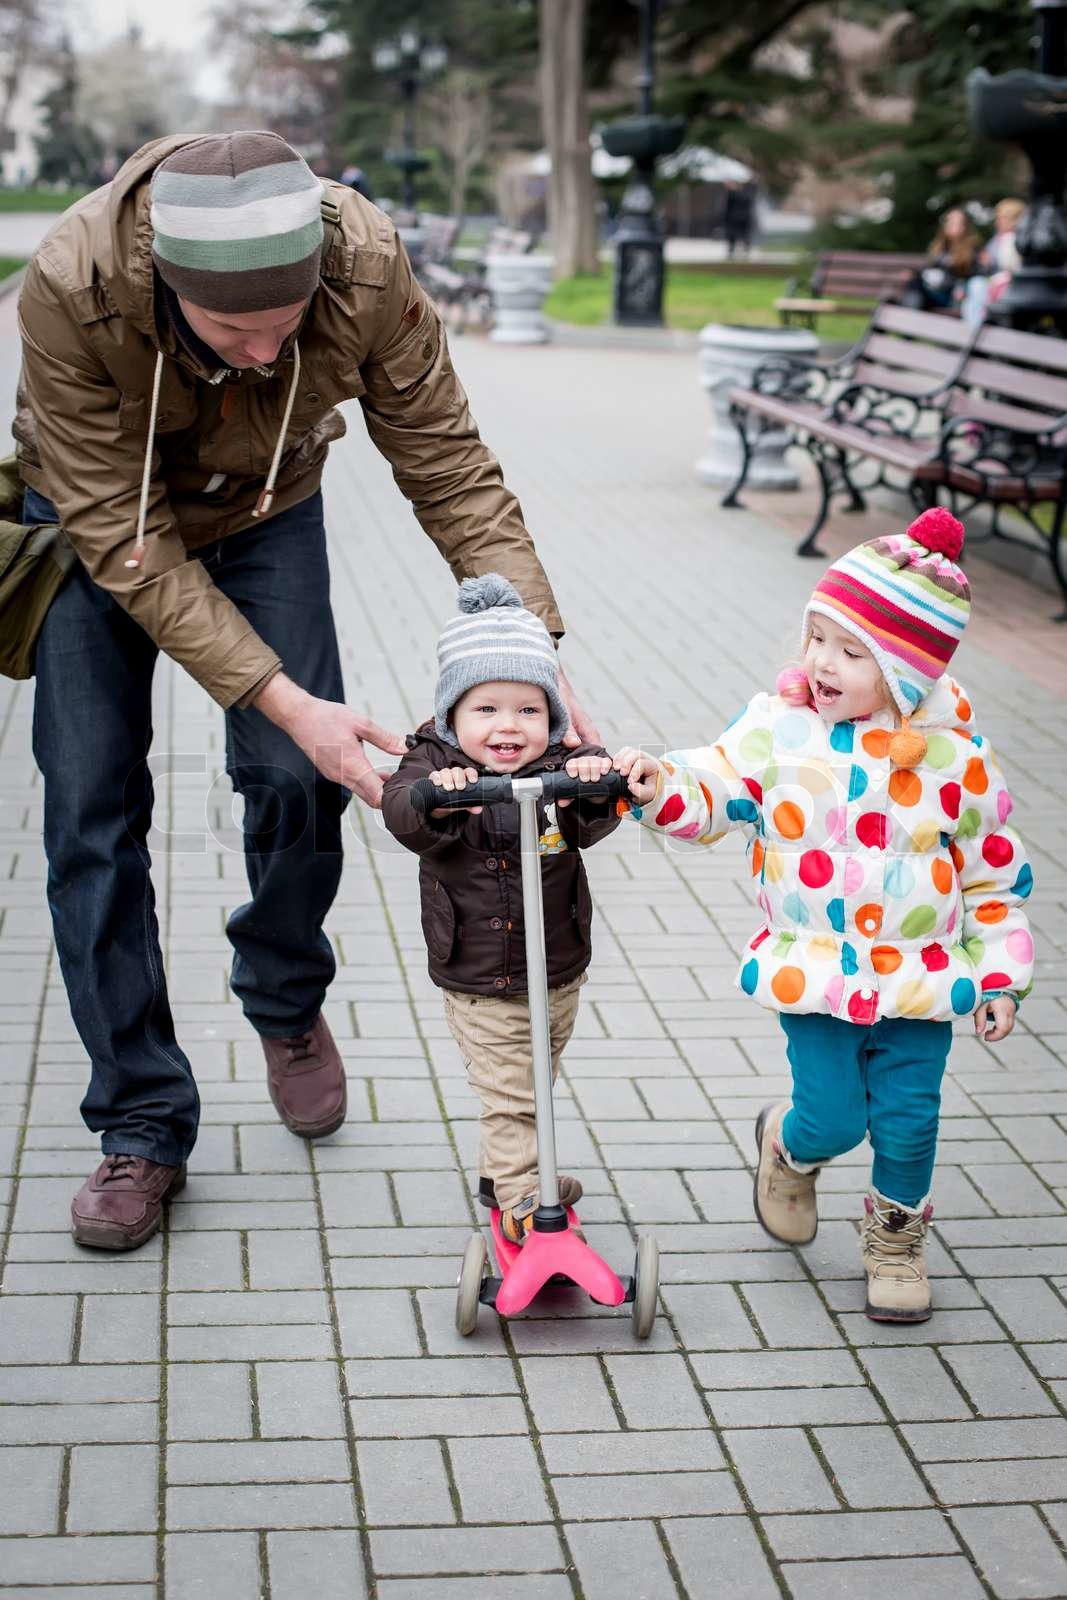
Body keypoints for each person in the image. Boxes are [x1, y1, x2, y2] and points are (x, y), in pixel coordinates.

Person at [14, 130, 598, 1250]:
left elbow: (445, 457)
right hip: (100, 528)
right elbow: (127, 536)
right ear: (167, 286)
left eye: (287, 325)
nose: (266, 350)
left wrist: (531, 648)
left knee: (300, 775)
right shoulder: (72, 283)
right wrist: (281, 692)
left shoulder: (366, 262)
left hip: (268, 505)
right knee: (90, 811)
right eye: (237, 331)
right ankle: (140, 1120)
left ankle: (283, 997)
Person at [613, 508, 1034, 1323]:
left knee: (909, 1123)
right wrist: (659, 785)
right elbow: (716, 785)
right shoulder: (778, 730)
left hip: (920, 984)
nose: (821, 663)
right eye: (816, 639)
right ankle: (789, 1147)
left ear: (904, 674)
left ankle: (895, 1239)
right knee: (835, 1117)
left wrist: (998, 976)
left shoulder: (954, 759)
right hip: (817, 976)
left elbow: (991, 876)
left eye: (851, 651)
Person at [382, 575, 619, 1243]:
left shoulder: (560, 764)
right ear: (452, 715)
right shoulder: (431, 762)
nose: (509, 727)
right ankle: (523, 1201)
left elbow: (597, 812)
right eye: (486, 709)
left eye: (528, 710)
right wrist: (435, 795)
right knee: (513, 1095)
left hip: (557, 961)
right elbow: (399, 809)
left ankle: (505, 1173)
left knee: (534, 1075)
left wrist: (595, 788)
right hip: (479, 974)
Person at [962, 197, 1025, 325]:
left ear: (1015, 220)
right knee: (975, 286)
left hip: (1012, 284)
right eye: (998, 218)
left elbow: (1012, 267)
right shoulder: (997, 239)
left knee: (977, 286)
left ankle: (974, 330)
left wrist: (990, 262)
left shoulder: (1017, 239)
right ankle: (973, 329)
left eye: (1002, 218)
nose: (998, 222)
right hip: (994, 281)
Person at [906, 207, 982, 311]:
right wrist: (915, 273)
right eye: (950, 221)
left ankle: (907, 315)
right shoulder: (940, 246)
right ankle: (907, 313)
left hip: (954, 295)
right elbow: (931, 270)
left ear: (965, 226)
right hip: (934, 291)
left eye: (957, 222)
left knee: (916, 287)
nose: (952, 225)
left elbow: (973, 275)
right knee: (915, 283)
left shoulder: (973, 247)